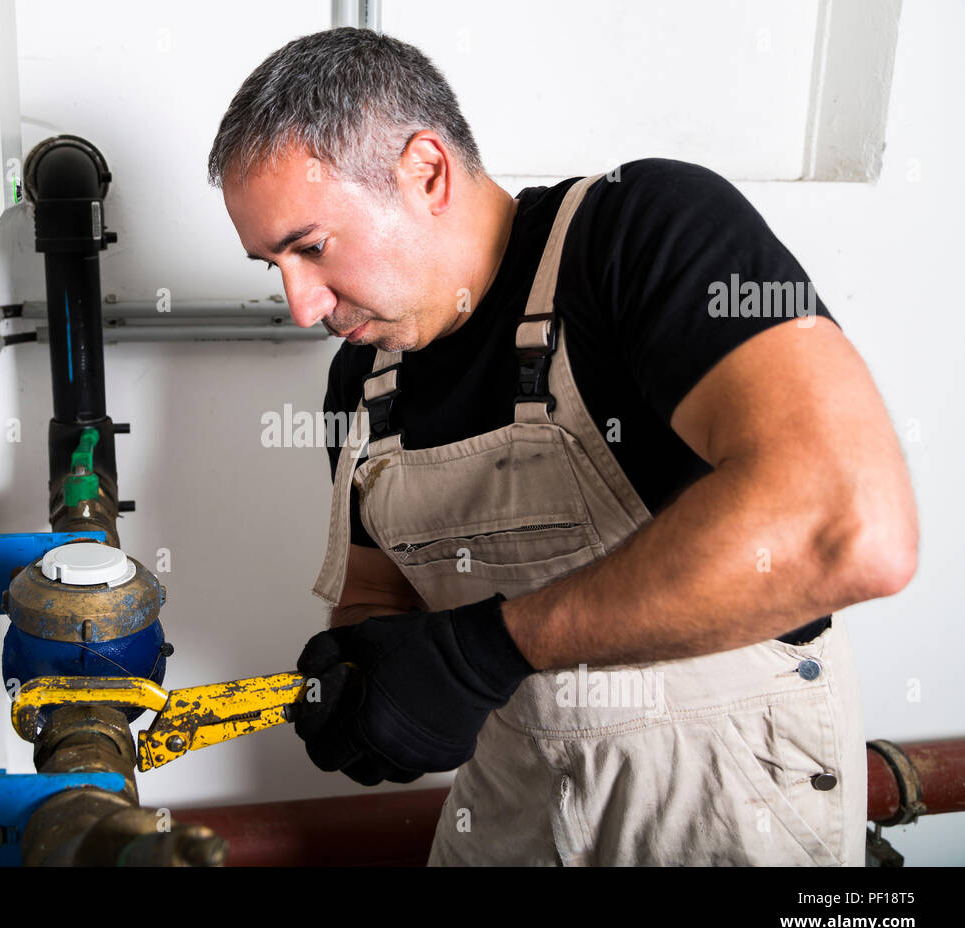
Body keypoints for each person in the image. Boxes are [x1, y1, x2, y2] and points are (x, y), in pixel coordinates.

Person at [206, 27, 918, 865]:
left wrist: (493, 648)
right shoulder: (361, 382)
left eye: (311, 247)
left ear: (426, 172)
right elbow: (378, 591)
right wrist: (372, 678)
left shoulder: (637, 234)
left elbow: (847, 523)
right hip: (512, 811)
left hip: (724, 808)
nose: (299, 306)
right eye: (272, 266)